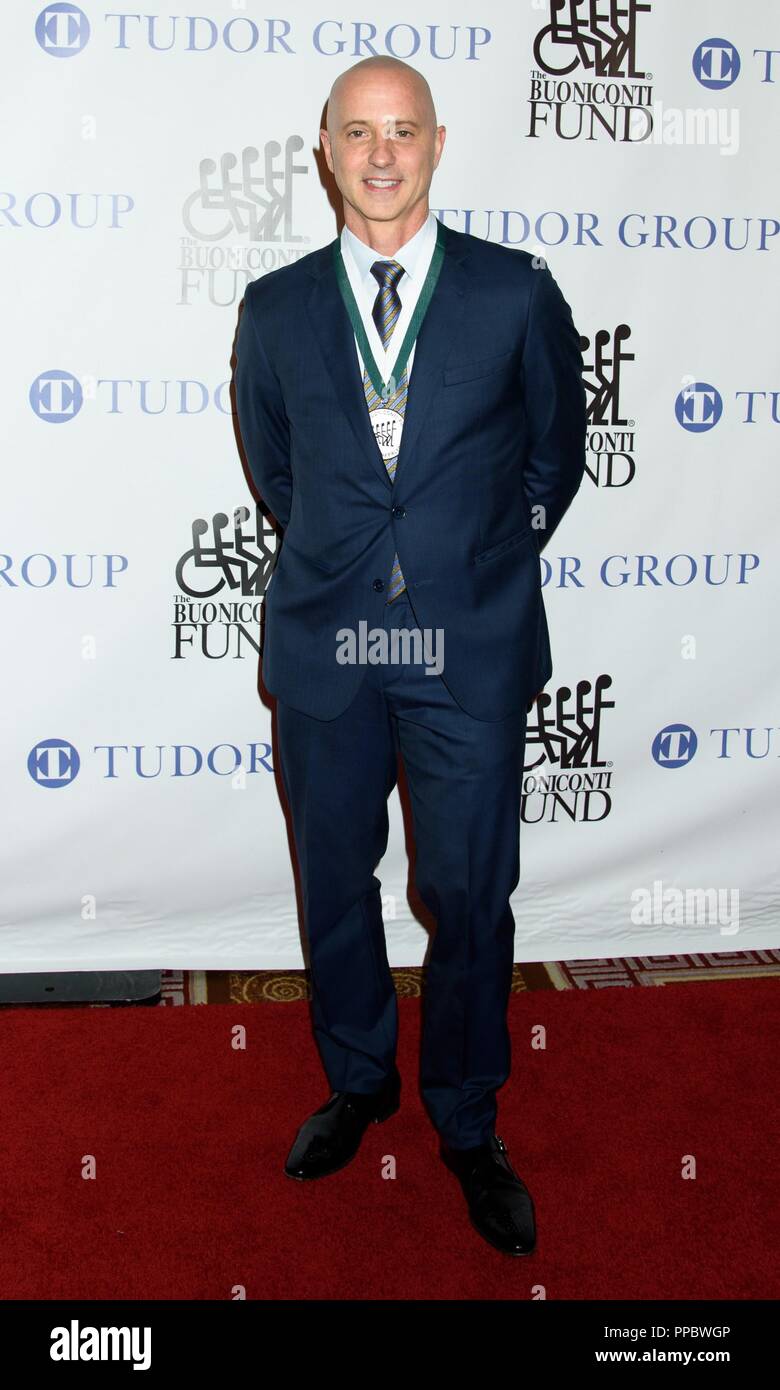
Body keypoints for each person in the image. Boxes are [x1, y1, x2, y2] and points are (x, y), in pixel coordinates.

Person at [233, 54, 586, 1256]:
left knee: (469, 897)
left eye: (403, 131)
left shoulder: (515, 293)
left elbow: (555, 458)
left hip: (466, 651)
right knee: (335, 884)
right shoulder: (273, 309)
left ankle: (467, 1116)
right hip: (330, 642)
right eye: (357, 132)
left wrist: (477, 562)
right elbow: (278, 470)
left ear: (437, 146)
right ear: (324, 150)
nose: (380, 154)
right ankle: (359, 1079)